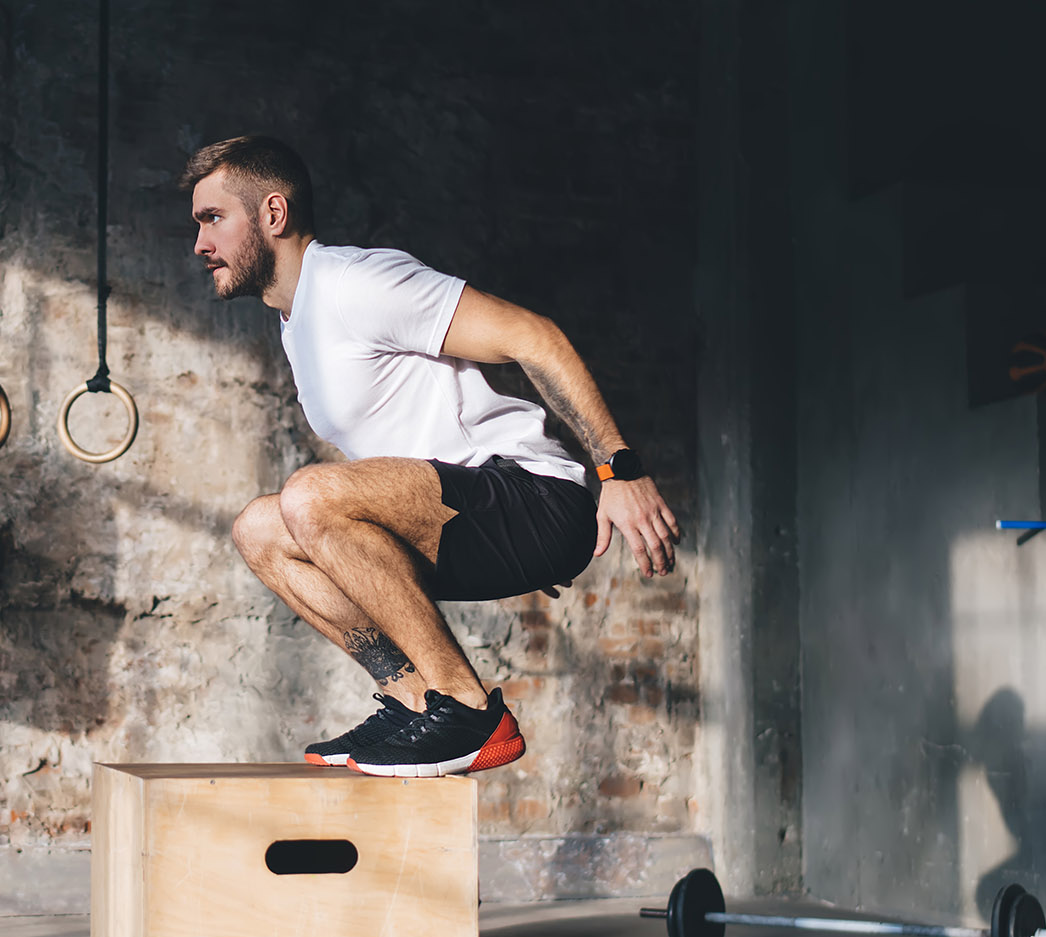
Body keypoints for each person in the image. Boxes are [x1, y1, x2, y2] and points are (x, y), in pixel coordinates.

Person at [186, 135, 680, 777]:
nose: (199, 244)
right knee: (259, 528)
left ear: (273, 214)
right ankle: (416, 700)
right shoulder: (297, 322)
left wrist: (619, 469)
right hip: (464, 515)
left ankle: (471, 711)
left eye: (213, 218)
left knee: (309, 494)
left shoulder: (355, 283)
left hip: (529, 493)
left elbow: (534, 336)